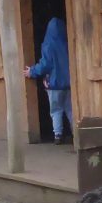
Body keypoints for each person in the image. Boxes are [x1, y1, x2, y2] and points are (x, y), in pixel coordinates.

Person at [28, 16, 73, 144]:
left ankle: (58, 135)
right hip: (68, 84)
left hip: (53, 85)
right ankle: (76, 132)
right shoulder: (68, 43)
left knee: (56, 110)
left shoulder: (48, 45)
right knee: (70, 109)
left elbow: (45, 65)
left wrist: (32, 71)